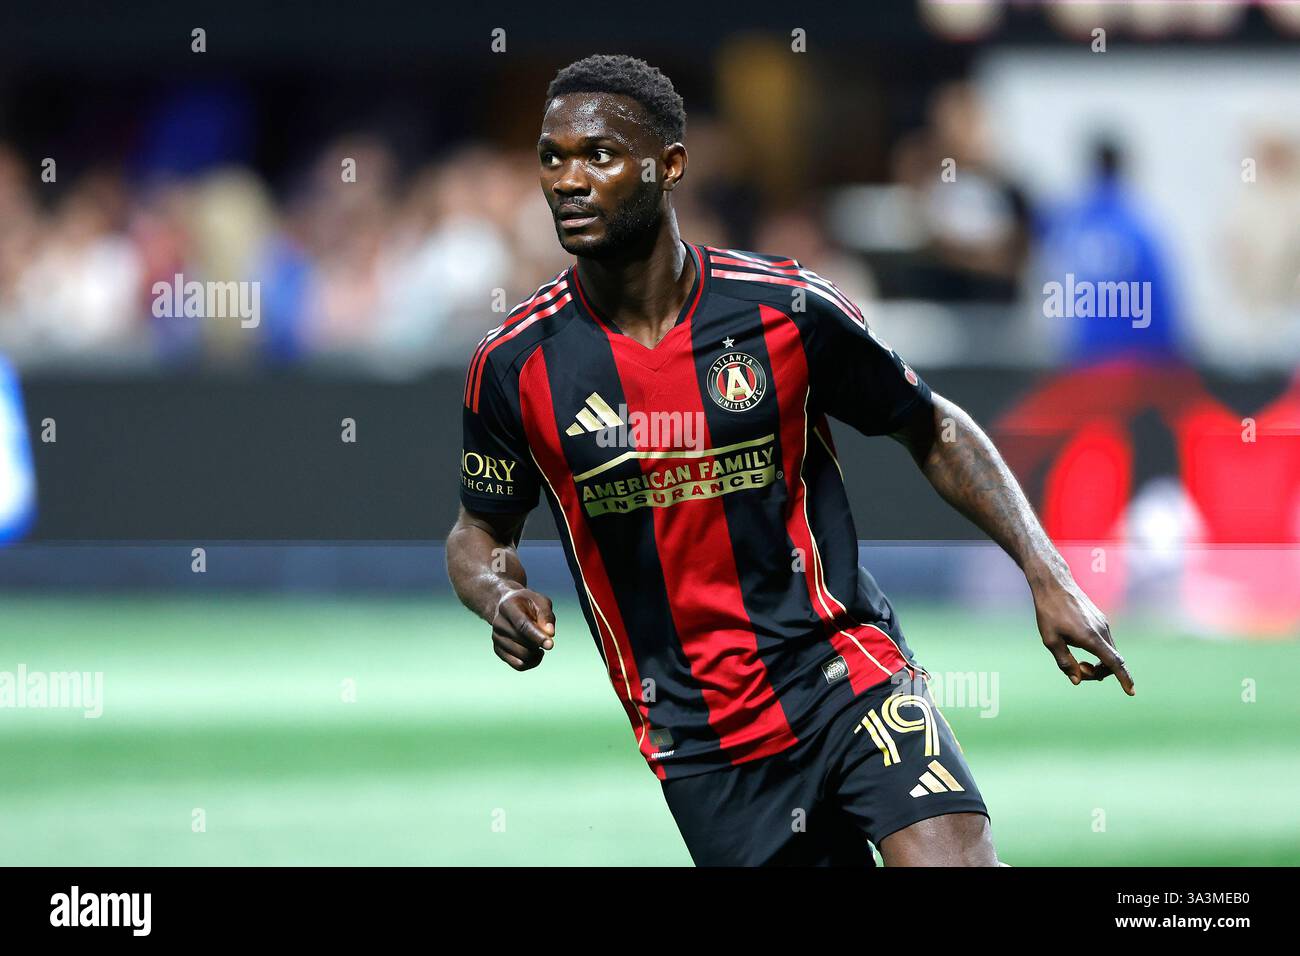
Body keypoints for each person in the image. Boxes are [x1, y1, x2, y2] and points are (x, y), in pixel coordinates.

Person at [446, 54, 1133, 867]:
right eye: (552, 157)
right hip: (700, 737)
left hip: (844, 670)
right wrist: (496, 593)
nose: (568, 179)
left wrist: (1045, 571)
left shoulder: (784, 309)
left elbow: (931, 426)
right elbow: (478, 529)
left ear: (669, 167)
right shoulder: (514, 364)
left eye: (599, 155)